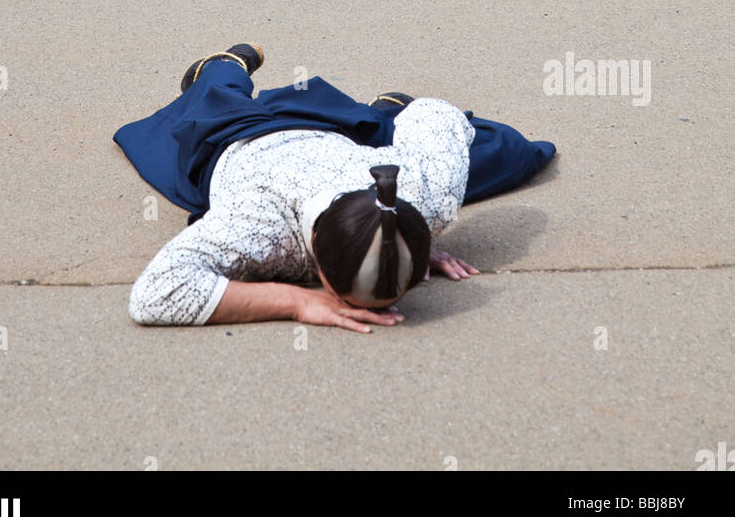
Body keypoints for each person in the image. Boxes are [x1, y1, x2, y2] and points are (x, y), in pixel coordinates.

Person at [114, 45, 556, 331]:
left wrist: (403, 235)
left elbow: (435, 113)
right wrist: (295, 302)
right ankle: (219, 67)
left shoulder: (425, 198)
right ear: (315, 261)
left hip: (343, 137)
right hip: (239, 139)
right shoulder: (258, 224)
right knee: (214, 96)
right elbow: (154, 294)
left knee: (518, 155)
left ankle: (384, 114)